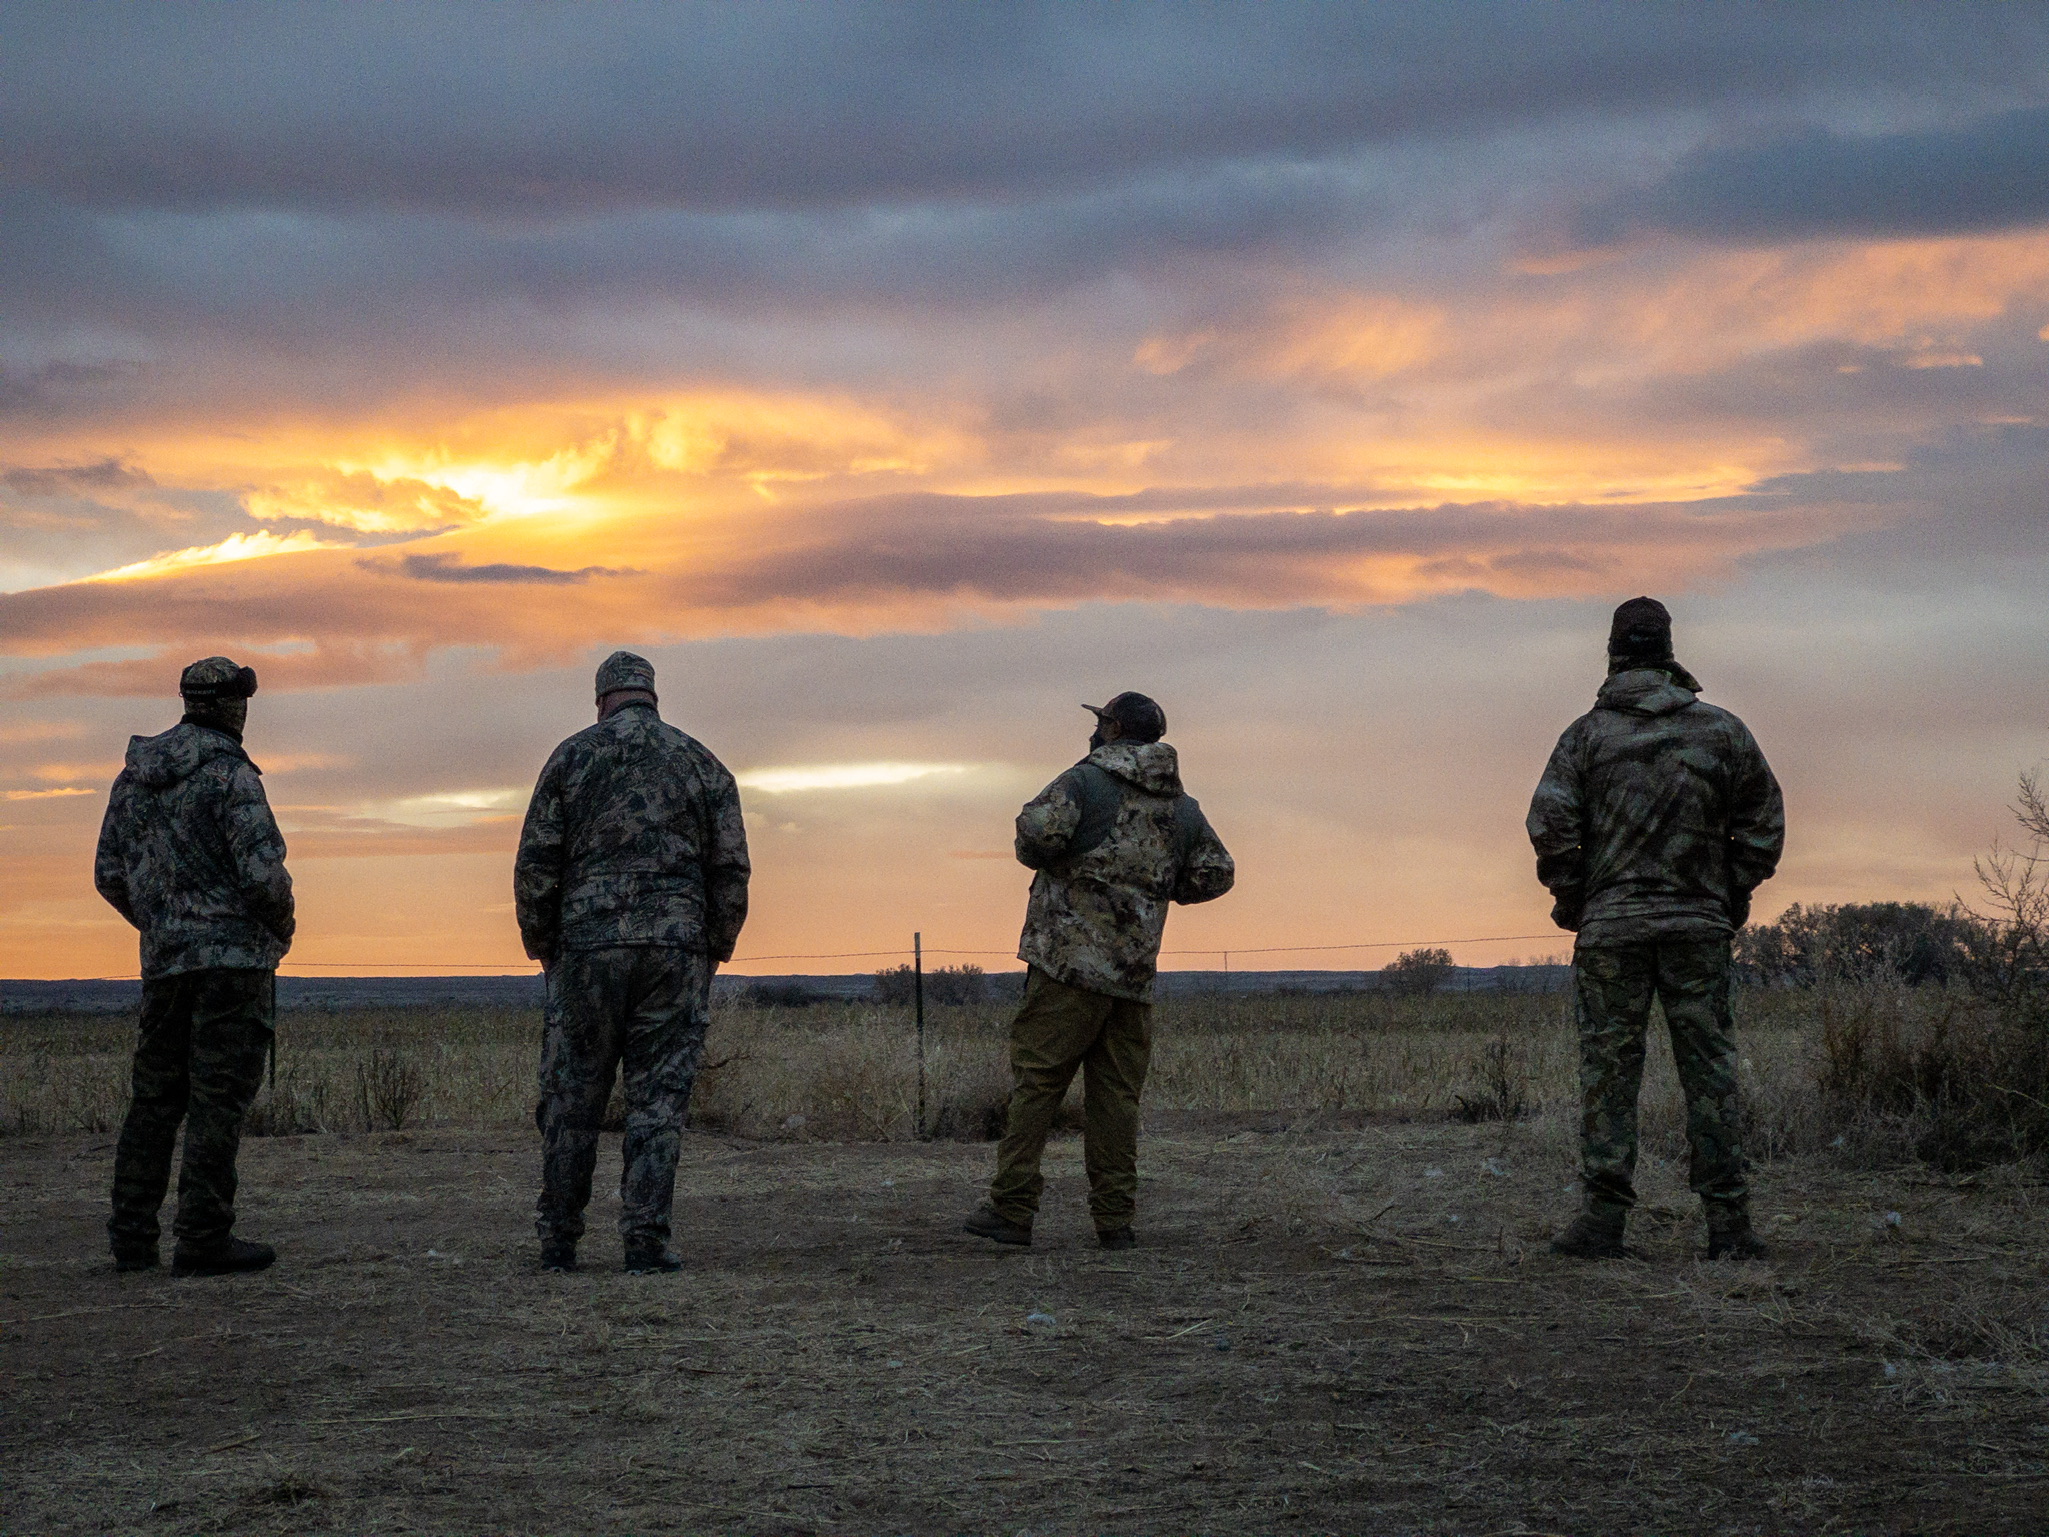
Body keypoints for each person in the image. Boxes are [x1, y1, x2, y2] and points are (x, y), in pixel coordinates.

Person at [1527, 598, 1784, 1261]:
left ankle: (1601, 1222)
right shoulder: (1722, 733)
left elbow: (1551, 825)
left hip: (1612, 933)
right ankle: (1728, 1226)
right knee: (1711, 1074)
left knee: (1609, 1075)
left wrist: (1575, 897)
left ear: (1612, 651)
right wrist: (1728, 892)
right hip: (1696, 928)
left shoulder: (1584, 738)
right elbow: (1763, 822)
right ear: (1669, 651)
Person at [964, 692, 1234, 1250]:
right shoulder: (1182, 807)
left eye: (1100, 722)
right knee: (1116, 1100)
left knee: (1037, 1086)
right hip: (1133, 980)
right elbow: (1215, 873)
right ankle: (1115, 1223)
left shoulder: (1083, 783)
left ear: (1112, 728)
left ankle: (1012, 1210)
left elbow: (1035, 837)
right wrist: (1156, 891)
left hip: (1066, 970)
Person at [514, 650, 750, 1274]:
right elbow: (730, 870)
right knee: (659, 1100)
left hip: (588, 950)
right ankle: (645, 1240)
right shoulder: (701, 763)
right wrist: (713, 949)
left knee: (573, 1097)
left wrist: (546, 949)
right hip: (676, 950)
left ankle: (558, 1239)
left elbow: (536, 865)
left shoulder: (571, 757)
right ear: (651, 695)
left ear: (602, 700)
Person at [95, 656, 294, 1277]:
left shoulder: (132, 781)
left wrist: (163, 927)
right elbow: (263, 877)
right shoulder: (232, 778)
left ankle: (132, 1239)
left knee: (154, 1098)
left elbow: (108, 876)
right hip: (233, 965)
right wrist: (278, 930)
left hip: (166, 965)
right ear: (234, 706)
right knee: (217, 1099)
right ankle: (203, 1238)